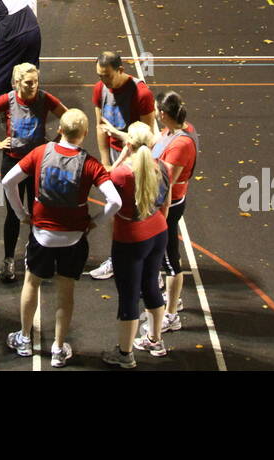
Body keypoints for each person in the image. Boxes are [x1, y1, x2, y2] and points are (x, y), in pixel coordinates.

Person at [2, 108, 121, 366]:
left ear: (59, 130)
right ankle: (57, 348)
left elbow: (8, 182)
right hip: (74, 239)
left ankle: (24, 338)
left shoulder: (40, 153)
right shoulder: (90, 164)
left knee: (31, 283)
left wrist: (21, 213)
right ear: (85, 134)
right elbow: (116, 201)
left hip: (41, 235)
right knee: (66, 292)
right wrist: (95, 222)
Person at [0, 63, 67, 282]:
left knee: (37, 211)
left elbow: (68, 117)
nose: (33, 85)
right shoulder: (7, 100)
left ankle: (34, 254)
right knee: (13, 214)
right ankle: (8, 259)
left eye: (35, 81)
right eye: (28, 82)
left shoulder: (45, 98)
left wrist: (53, 144)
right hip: (13, 163)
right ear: (16, 83)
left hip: (36, 164)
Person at [100, 121, 172, 367]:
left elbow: (107, 187)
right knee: (151, 285)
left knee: (129, 296)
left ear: (128, 144)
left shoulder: (122, 174)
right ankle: (155, 339)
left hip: (130, 238)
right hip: (158, 232)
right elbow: (166, 205)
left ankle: (124, 353)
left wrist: (121, 155)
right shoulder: (162, 168)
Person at [87, 52, 156, 280]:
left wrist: (124, 157)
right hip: (116, 154)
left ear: (120, 70)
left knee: (142, 210)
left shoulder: (141, 93)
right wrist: (106, 162)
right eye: (100, 76)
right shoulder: (100, 89)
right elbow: (100, 127)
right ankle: (116, 258)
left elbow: (147, 138)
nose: (104, 81)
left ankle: (150, 264)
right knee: (116, 207)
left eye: (107, 76)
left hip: (138, 157)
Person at [153, 91, 198, 333]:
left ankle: (171, 313)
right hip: (161, 203)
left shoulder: (181, 144)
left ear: (162, 113)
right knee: (161, 252)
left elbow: (164, 179)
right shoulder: (171, 132)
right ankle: (171, 299)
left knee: (170, 258)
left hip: (168, 206)